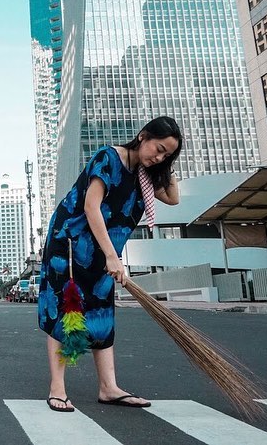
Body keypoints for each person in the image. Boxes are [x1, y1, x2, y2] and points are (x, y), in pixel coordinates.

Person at [38, 116, 182, 412]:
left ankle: (108, 387)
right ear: (142, 135)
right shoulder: (108, 157)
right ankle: (57, 387)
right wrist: (112, 256)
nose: (158, 157)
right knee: (68, 313)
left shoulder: (143, 176)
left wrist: (166, 163)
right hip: (70, 245)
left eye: (166, 155)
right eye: (158, 148)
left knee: (102, 314)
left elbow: (173, 198)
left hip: (104, 252)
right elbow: (91, 207)